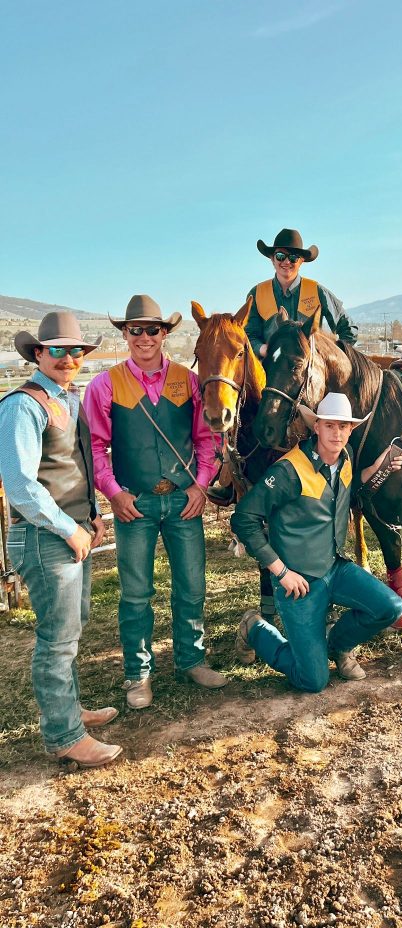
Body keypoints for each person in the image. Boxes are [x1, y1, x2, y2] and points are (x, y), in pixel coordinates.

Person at [83, 295, 222, 710]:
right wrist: (114, 493)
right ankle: (138, 675)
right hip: (135, 505)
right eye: (135, 330)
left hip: (183, 501)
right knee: (136, 594)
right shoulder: (104, 384)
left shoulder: (189, 380)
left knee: (192, 587)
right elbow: (94, 448)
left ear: (165, 334)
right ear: (124, 334)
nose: (144, 338)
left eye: (152, 330)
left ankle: (191, 660)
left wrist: (200, 485)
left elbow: (206, 439)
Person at [0, 313, 122, 768]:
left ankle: (68, 711)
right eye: (58, 350)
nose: (69, 358)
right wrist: (69, 528)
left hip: (69, 531)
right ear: (38, 353)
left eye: (76, 351)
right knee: (58, 637)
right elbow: (21, 485)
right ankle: (64, 735)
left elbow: (71, 466)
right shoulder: (23, 405)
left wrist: (90, 516)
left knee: (72, 625)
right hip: (43, 536)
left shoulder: (66, 400)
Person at [231, 393, 402, 692]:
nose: (337, 433)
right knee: (312, 680)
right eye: (329, 426)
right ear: (316, 427)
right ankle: (255, 628)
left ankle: (336, 646)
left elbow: (350, 486)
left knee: (390, 607)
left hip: (335, 567)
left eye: (343, 427)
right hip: (298, 581)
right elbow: (243, 518)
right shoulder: (288, 471)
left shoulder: (346, 456)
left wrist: (379, 465)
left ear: (351, 430)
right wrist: (281, 572)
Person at [244, 229, 358, 358]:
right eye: (280, 256)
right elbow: (248, 336)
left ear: (301, 261)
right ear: (272, 259)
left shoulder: (317, 291)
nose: (287, 262)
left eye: (293, 257)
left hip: (309, 373)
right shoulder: (257, 293)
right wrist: (263, 349)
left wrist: (332, 358)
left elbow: (349, 329)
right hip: (268, 372)